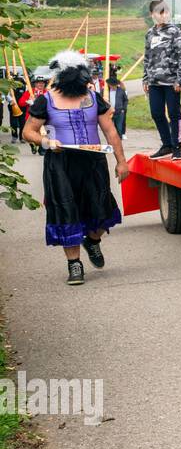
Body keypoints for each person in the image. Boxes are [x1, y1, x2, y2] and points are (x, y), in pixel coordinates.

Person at [22, 52, 128, 286]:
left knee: (102, 210)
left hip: (93, 161)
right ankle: (74, 264)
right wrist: (46, 142)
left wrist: (122, 161)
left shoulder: (93, 98)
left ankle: (92, 241)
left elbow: (111, 131)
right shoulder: (46, 100)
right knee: (67, 211)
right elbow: (28, 131)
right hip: (60, 165)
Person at [142, 0, 181, 160]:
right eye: (159, 13)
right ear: (152, 14)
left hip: (171, 82)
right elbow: (147, 58)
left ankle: (177, 146)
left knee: (174, 113)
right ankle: (166, 144)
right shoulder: (149, 34)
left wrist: (180, 79)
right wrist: (145, 79)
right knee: (156, 113)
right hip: (154, 83)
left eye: (165, 12)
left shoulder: (174, 31)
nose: (163, 16)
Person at [17, 73, 48, 154]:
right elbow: (20, 103)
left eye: (42, 83)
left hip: (43, 117)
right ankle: (32, 146)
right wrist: (28, 101)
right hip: (30, 117)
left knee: (42, 133)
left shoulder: (47, 93)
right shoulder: (29, 92)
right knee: (31, 134)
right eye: (38, 82)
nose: (40, 84)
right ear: (35, 84)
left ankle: (42, 149)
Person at [106, 71, 128, 140]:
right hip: (109, 111)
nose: (111, 86)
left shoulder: (121, 91)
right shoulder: (106, 91)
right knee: (110, 126)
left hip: (119, 111)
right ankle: (111, 138)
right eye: (110, 85)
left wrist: (123, 109)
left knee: (119, 126)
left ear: (116, 85)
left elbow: (126, 100)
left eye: (113, 85)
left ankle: (119, 138)